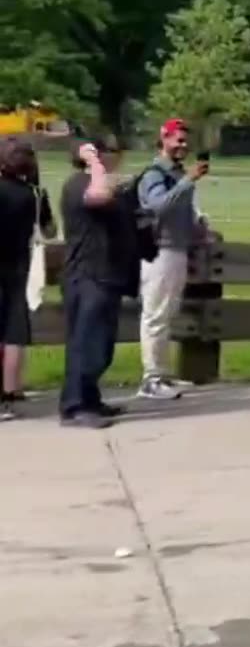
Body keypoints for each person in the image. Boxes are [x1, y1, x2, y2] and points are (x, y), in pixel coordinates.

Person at [59, 139, 137, 429]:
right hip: (88, 275)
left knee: (100, 344)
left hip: (106, 275)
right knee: (85, 343)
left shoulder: (97, 181)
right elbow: (98, 198)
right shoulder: (82, 183)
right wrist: (94, 163)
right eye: (114, 152)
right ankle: (74, 406)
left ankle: (90, 399)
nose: (120, 157)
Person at [135, 117, 209, 400]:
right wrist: (188, 181)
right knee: (155, 316)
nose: (183, 145)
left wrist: (197, 227)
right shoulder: (156, 174)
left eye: (185, 140)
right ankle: (151, 379)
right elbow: (157, 207)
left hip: (177, 250)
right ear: (163, 139)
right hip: (160, 252)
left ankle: (161, 374)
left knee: (166, 315)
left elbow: (179, 210)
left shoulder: (177, 174)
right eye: (177, 139)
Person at [0, 138, 54, 421]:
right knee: (13, 334)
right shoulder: (34, 195)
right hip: (19, 266)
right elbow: (49, 230)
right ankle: (11, 393)